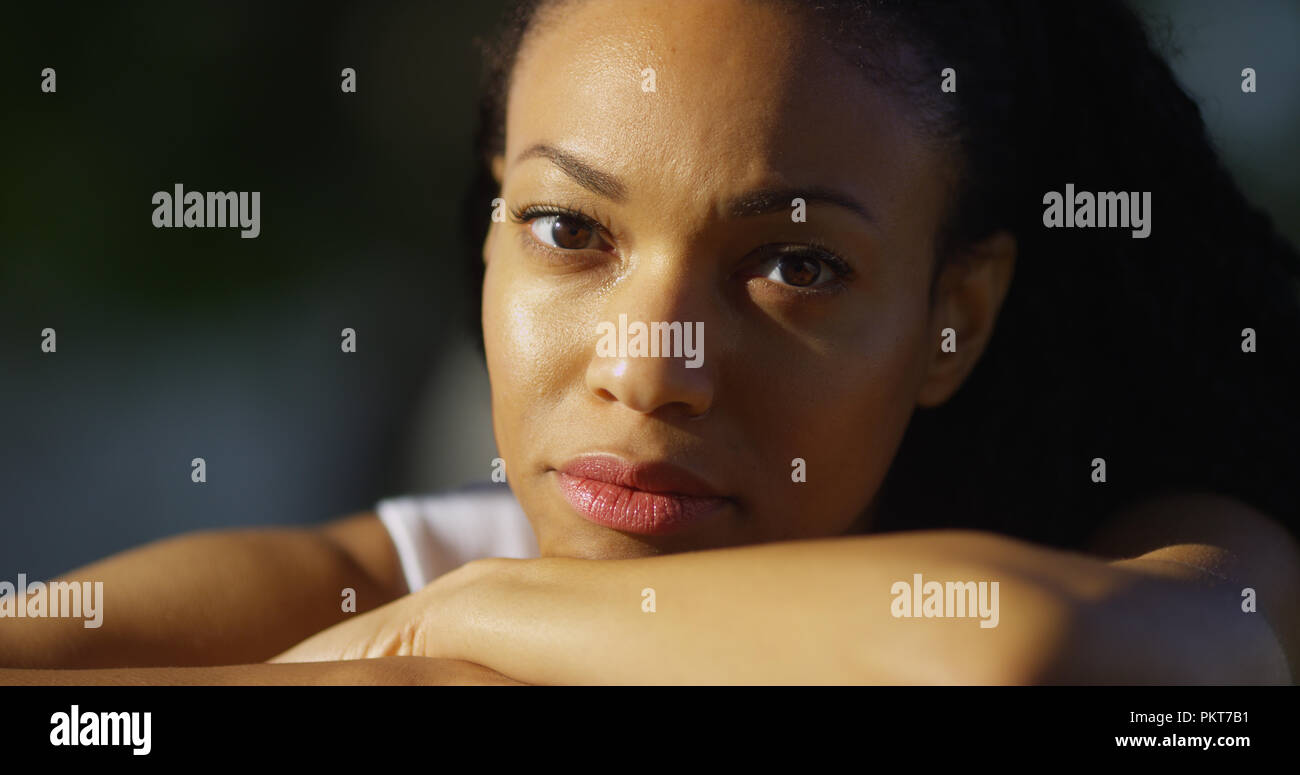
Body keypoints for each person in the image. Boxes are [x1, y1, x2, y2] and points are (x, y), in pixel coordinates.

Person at [3, 0, 1297, 685]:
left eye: (794, 265)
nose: (650, 364)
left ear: (954, 316)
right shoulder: (409, 572)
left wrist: (446, 638)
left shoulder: (1170, 549)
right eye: (571, 229)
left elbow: (1016, 656)